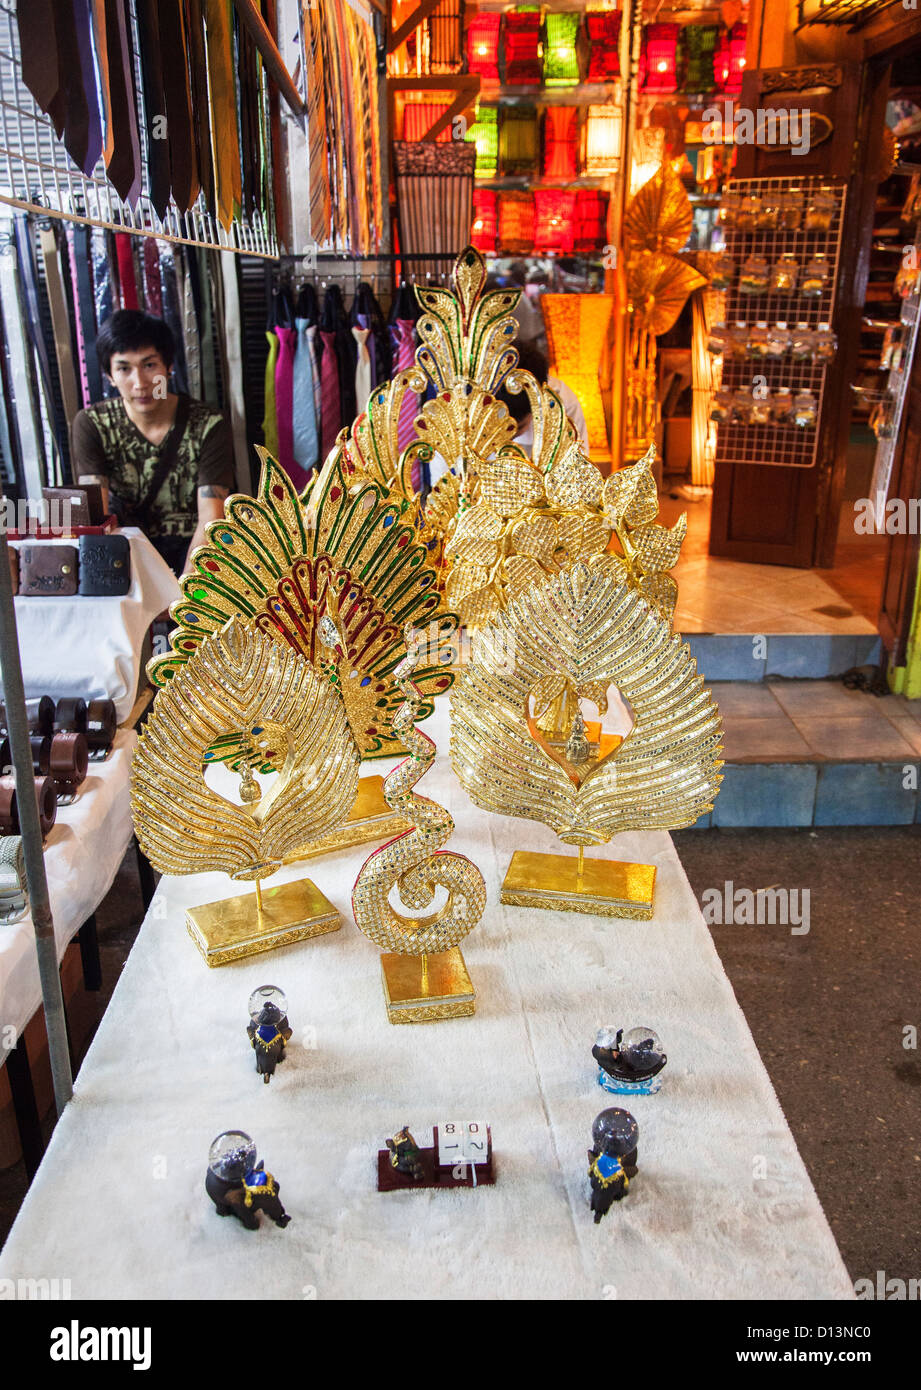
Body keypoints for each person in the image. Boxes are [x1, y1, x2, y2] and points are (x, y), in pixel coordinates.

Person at [70, 310, 234, 575]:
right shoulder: (93, 424)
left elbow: (211, 517)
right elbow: (95, 515)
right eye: (124, 368)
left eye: (149, 365)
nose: (140, 383)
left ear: (169, 367)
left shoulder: (208, 423)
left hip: (195, 552)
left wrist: (188, 592)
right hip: (129, 555)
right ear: (110, 375)